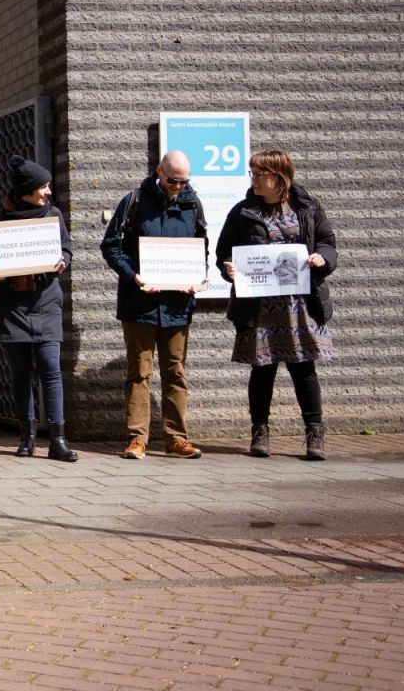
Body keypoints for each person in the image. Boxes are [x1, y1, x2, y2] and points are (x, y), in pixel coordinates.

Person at [216, 149, 336, 461]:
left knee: (304, 370)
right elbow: (223, 252)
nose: (253, 179)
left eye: (259, 173)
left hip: (300, 305)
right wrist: (228, 267)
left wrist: (322, 258)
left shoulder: (307, 207)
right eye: (252, 173)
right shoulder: (243, 212)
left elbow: (327, 242)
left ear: (278, 177)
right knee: (262, 369)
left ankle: (314, 434)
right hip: (260, 306)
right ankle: (260, 432)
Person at [100, 150, 208, 460]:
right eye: (172, 180)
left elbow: (201, 246)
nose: (178, 186)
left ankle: (177, 439)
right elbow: (110, 247)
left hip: (177, 304)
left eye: (184, 181)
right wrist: (133, 276)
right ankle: (138, 439)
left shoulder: (192, 203)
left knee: (176, 373)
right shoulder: (133, 201)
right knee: (139, 373)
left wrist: (197, 277)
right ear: (159, 170)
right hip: (140, 304)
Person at [0, 157, 77, 461]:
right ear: (26, 191)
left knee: (51, 370)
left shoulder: (54, 215)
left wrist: (63, 259)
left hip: (47, 303)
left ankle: (57, 440)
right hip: (14, 306)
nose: (48, 192)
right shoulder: (2, 216)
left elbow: (66, 247)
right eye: (43, 187)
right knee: (22, 374)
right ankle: (26, 438)